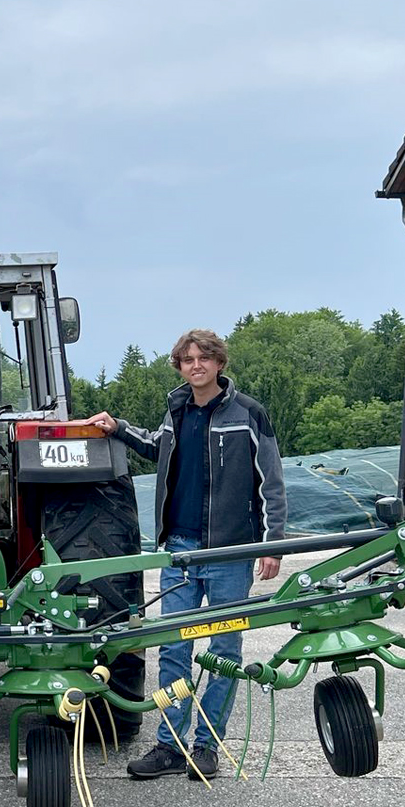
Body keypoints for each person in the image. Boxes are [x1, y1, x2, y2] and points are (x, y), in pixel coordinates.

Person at [79, 328, 286, 781]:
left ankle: (206, 745)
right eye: (188, 359)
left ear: (218, 364)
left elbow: (271, 481)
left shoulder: (249, 414)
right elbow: (158, 448)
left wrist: (272, 546)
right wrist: (118, 428)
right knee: (174, 648)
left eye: (204, 358)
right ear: (180, 366)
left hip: (232, 552)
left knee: (223, 649)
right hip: (180, 551)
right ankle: (170, 747)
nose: (196, 365)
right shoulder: (176, 412)